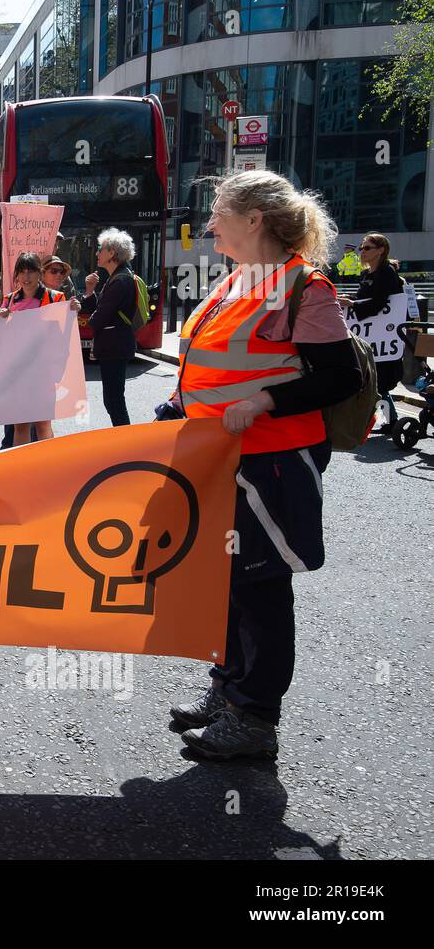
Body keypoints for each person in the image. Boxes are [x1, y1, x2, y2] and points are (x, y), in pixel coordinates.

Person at [167, 170, 362, 761]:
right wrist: (178, 404)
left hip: (270, 463)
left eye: (220, 213)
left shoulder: (306, 287)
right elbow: (216, 364)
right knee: (224, 584)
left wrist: (262, 403)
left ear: (254, 220)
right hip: (223, 460)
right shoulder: (237, 283)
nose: (209, 225)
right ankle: (228, 689)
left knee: (260, 589)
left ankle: (254, 718)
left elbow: (340, 376)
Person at [0, 251, 81, 447]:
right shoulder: (9, 301)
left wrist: (72, 313)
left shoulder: (56, 298)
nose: (26, 277)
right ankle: (22, 468)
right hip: (17, 372)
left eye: (31, 272)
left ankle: (46, 467)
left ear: (40, 273)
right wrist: (0, 322)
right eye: (22, 272)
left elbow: (65, 333)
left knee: (43, 424)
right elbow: (1, 339)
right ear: (16, 275)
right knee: (21, 426)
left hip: (43, 372)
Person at [83, 228, 138, 427]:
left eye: (100, 249)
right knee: (113, 399)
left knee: (114, 400)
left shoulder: (120, 281)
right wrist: (89, 292)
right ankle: (124, 440)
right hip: (115, 347)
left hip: (115, 348)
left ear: (112, 252)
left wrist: (91, 318)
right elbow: (101, 311)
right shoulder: (118, 277)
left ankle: (126, 443)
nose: (97, 253)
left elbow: (98, 318)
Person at [353, 233, 405, 431]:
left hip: (385, 336)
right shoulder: (367, 275)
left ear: (381, 250)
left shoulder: (386, 273)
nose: (362, 251)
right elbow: (364, 299)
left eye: (367, 248)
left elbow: (380, 303)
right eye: (362, 248)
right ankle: (390, 419)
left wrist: (354, 305)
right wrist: (350, 300)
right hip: (369, 335)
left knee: (379, 380)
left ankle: (386, 419)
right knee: (373, 379)